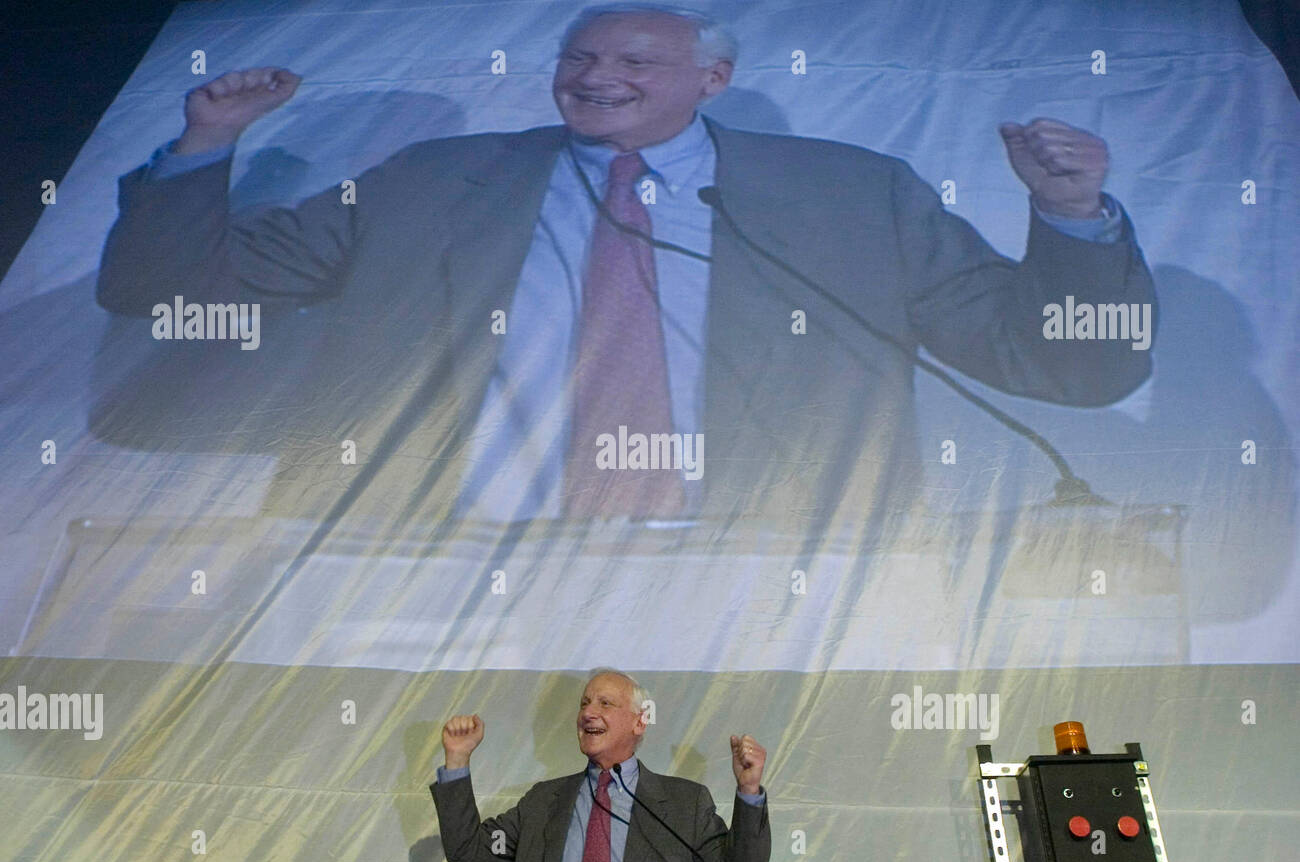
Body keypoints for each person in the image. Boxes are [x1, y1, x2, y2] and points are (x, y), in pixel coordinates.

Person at [94, 2, 1156, 528]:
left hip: (762, 571)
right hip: (420, 566)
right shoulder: (427, 179)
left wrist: (1068, 217)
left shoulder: (852, 192)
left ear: (714, 76)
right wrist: (202, 153)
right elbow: (168, 296)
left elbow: (1068, 366)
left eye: (633, 60)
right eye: (580, 59)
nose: (597, 76)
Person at [431, 670, 771, 862]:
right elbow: (468, 851)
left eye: (604, 704)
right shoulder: (541, 802)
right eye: (584, 703)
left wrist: (749, 789)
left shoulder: (686, 803)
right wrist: (457, 761)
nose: (588, 713)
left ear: (640, 722)